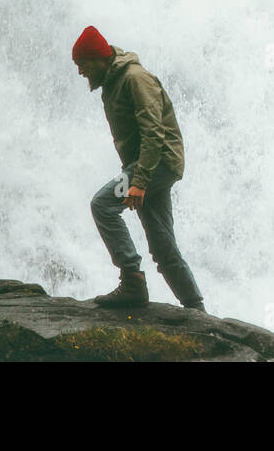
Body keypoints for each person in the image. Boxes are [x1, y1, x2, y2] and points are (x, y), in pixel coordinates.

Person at [72, 25, 205, 311]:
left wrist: (139, 180)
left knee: (103, 205)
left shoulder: (135, 78)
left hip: (157, 162)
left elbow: (154, 132)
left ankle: (132, 281)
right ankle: (197, 310)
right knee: (162, 245)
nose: (80, 72)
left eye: (82, 65)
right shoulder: (113, 82)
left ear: (98, 58)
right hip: (148, 165)